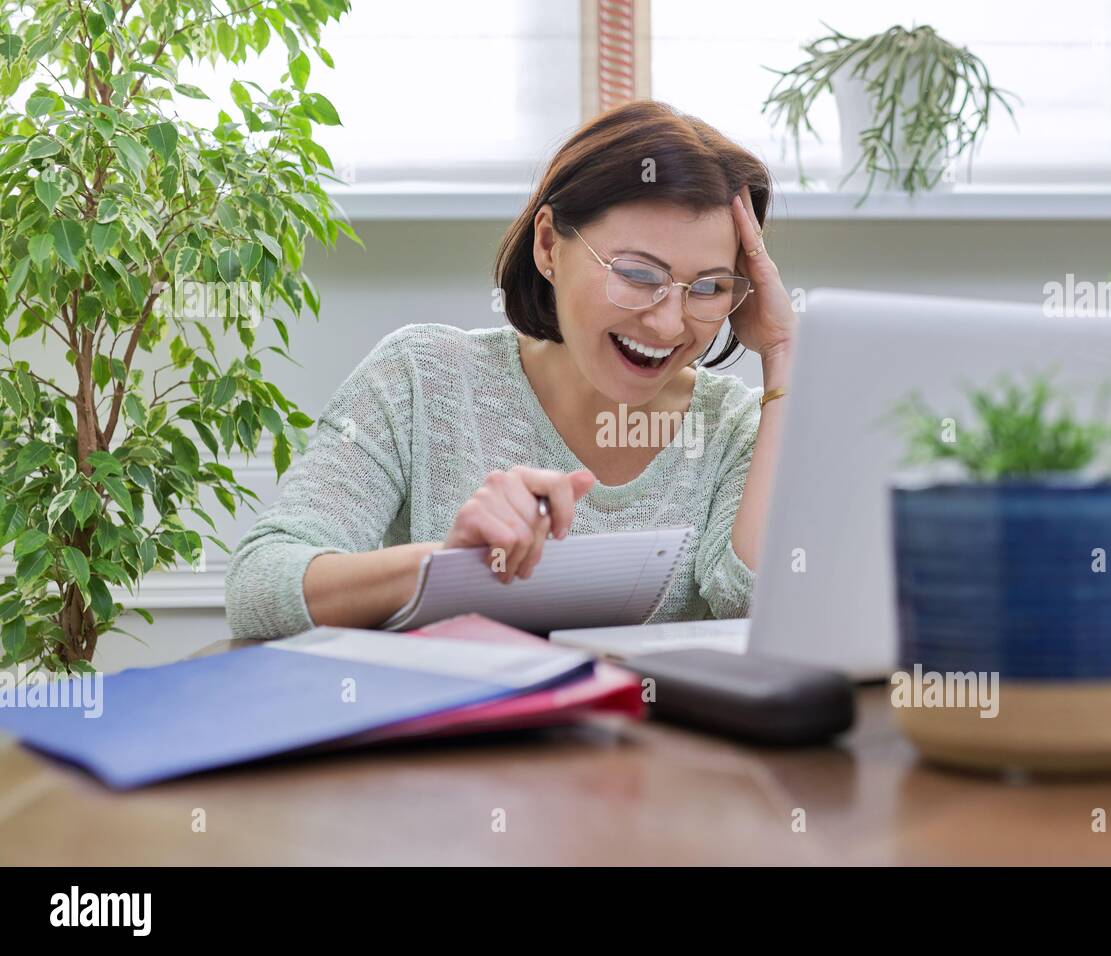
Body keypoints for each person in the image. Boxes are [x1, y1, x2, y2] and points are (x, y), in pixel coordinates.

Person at [224, 100, 797, 639]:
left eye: (708, 287)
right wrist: (445, 570)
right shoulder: (422, 378)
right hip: (453, 742)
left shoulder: (738, 429)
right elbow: (261, 584)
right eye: (639, 275)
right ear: (548, 245)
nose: (670, 324)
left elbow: (761, 609)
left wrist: (783, 356)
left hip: (646, 746)